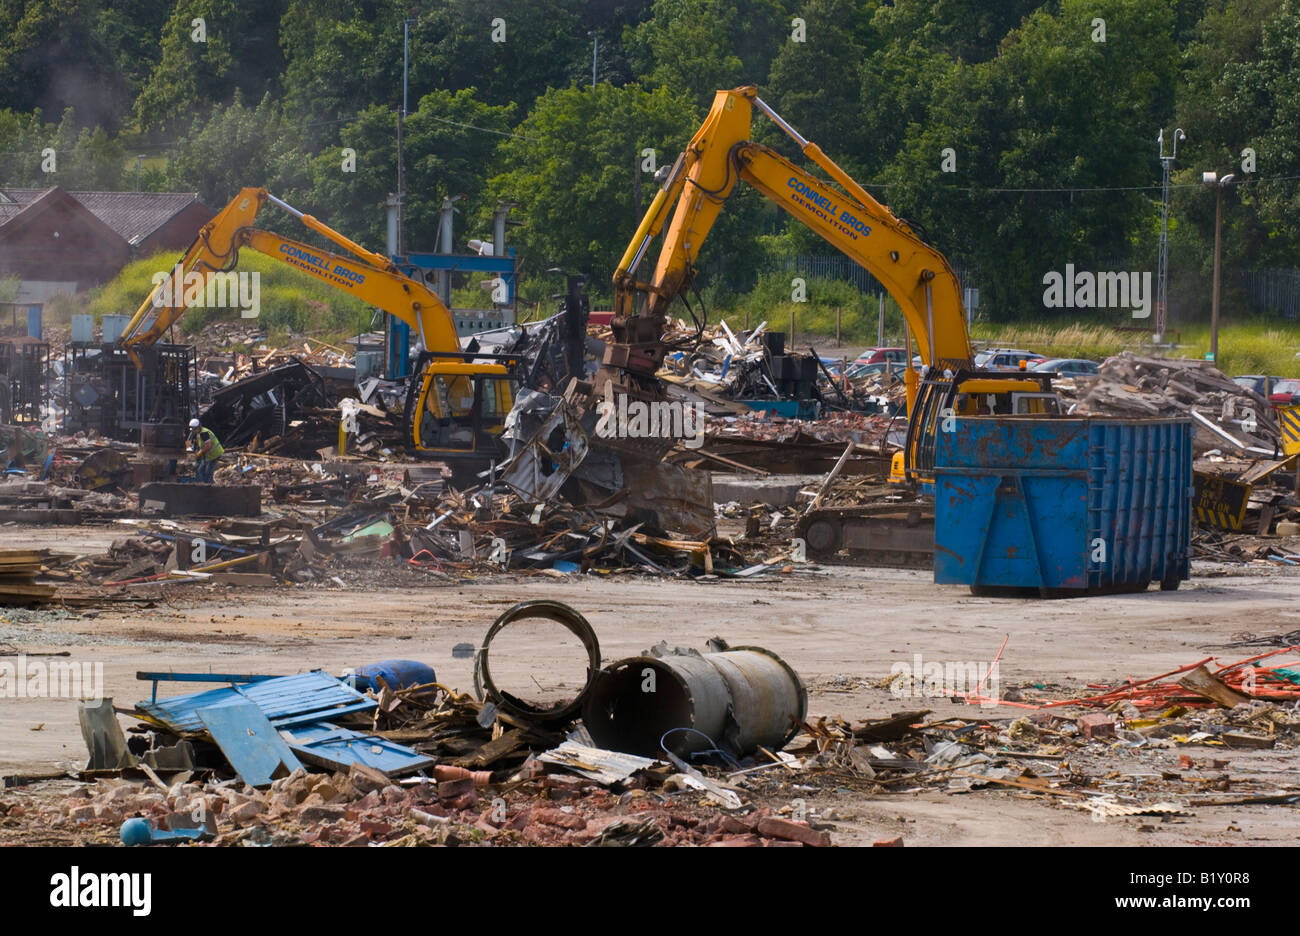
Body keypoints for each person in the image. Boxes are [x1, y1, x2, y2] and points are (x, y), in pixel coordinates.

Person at [188, 417, 224, 483]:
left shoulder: (203, 433)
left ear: (198, 427)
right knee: (201, 469)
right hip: (210, 455)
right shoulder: (200, 432)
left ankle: (208, 486)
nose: (193, 431)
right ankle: (203, 483)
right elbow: (203, 443)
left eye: (194, 429)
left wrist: (198, 453)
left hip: (214, 454)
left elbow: (208, 446)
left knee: (208, 472)